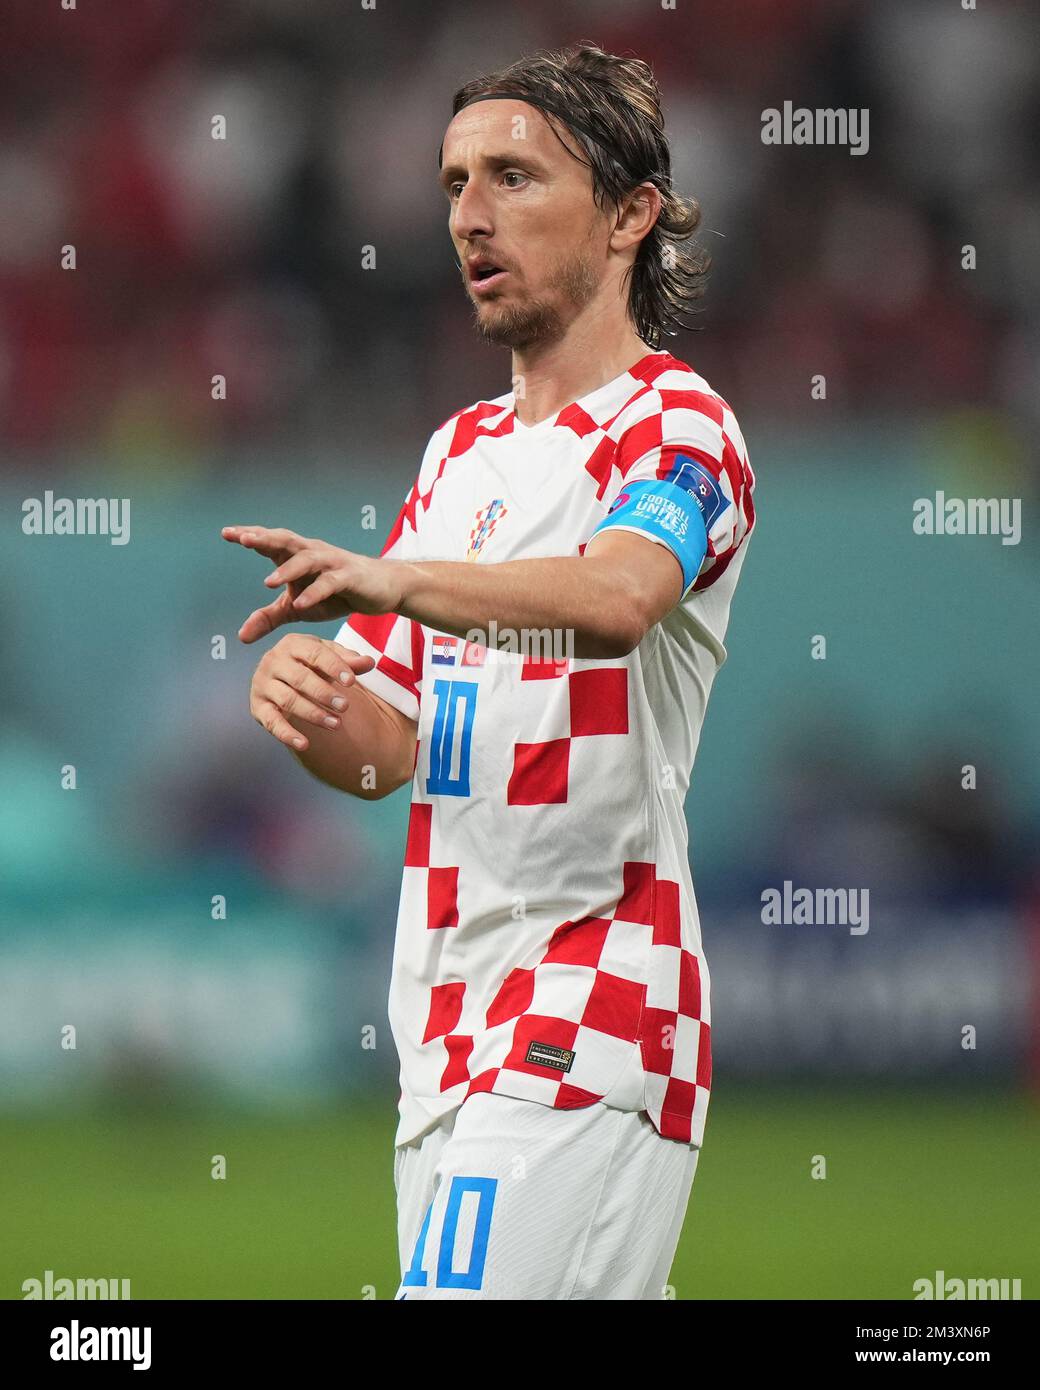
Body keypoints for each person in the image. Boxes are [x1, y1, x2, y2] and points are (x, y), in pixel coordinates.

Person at [223, 43, 756, 1300]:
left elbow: (620, 598)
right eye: (456, 180)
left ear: (628, 214)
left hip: (597, 996)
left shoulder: (675, 424)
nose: (468, 213)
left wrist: (391, 582)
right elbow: (388, 747)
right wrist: (308, 704)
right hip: (447, 1023)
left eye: (514, 176)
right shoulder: (457, 452)